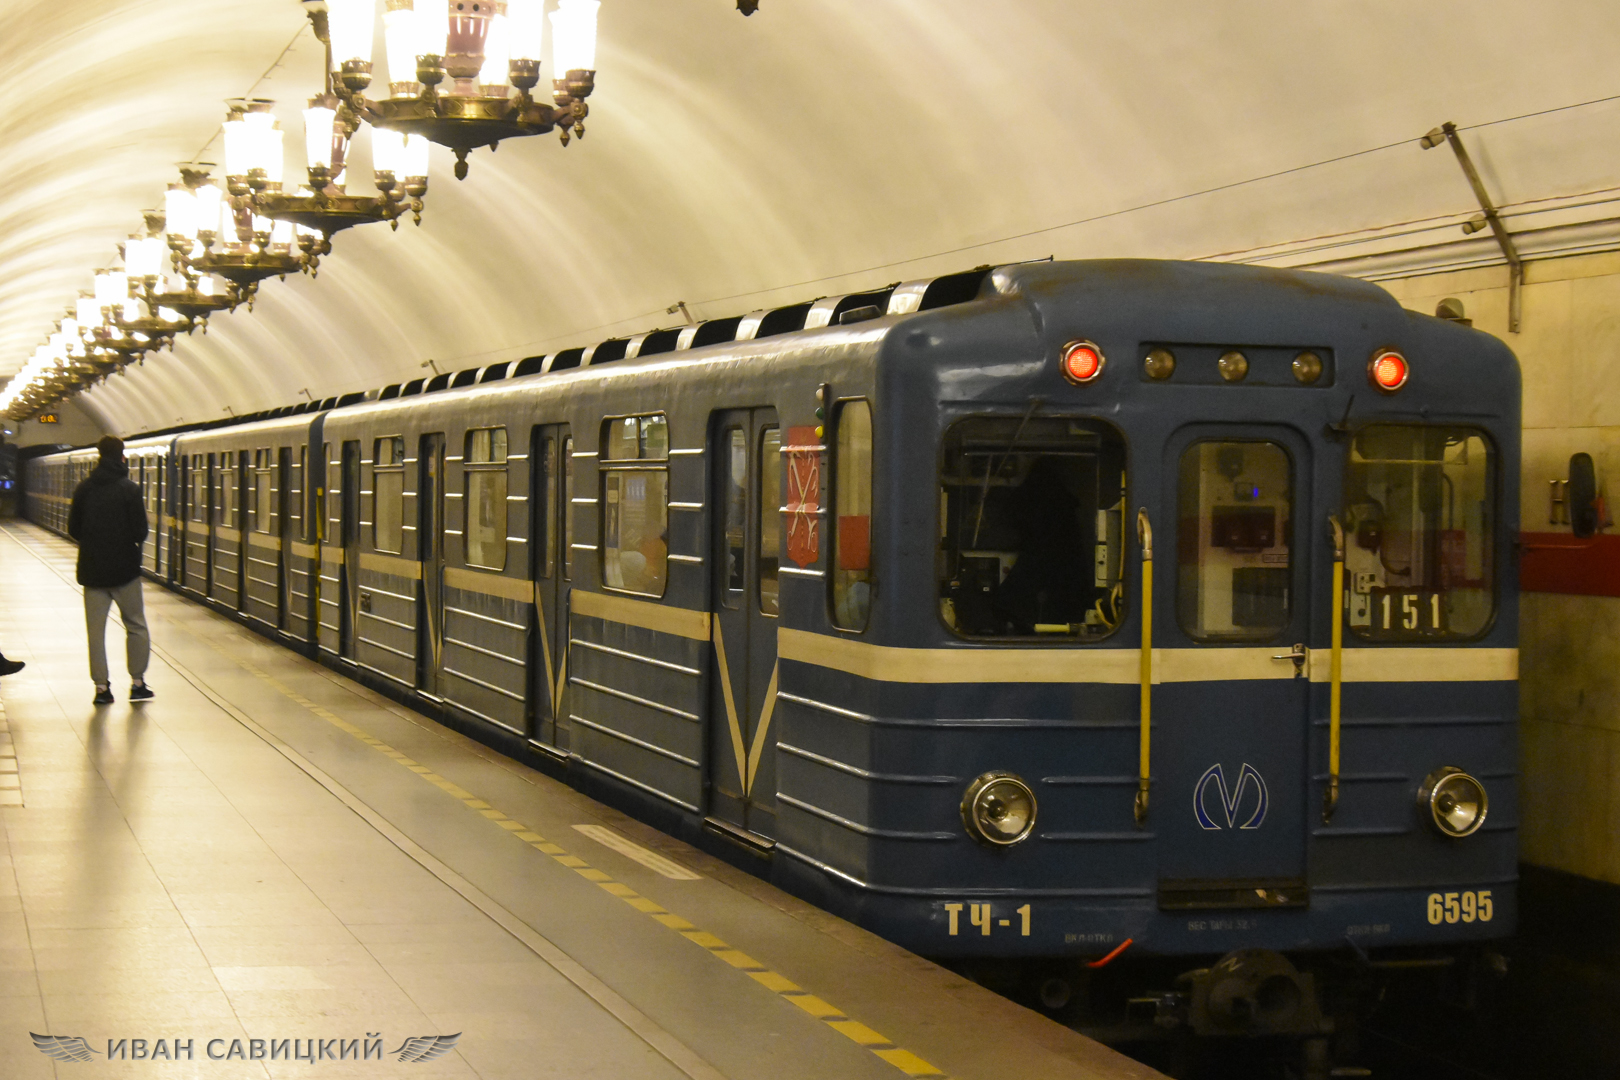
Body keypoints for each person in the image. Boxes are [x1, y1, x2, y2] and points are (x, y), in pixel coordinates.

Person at [67, 435, 152, 705]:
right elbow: (140, 531)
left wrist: (94, 542)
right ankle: (137, 684)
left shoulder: (83, 489)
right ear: (121, 456)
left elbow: (74, 529)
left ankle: (102, 689)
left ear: (99, 455)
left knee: (96, 633)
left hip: (92, 571)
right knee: (136, 625)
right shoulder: (130, 489)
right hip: (125, 572)